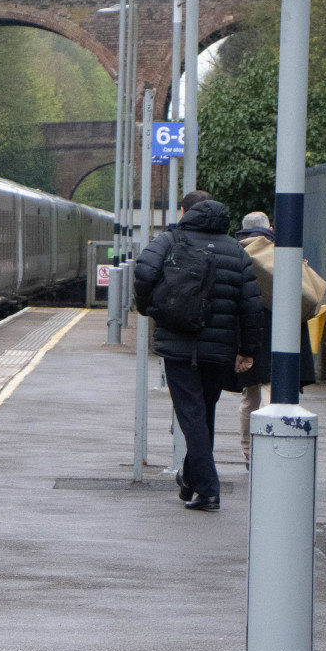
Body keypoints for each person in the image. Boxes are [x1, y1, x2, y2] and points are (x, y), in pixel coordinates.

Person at [133, 190, 264, 512]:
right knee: (203, 414)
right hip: (219, 349)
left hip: (178, 343)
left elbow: (143, 272)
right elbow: (251, 306)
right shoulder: (236, 251)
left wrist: (149, 308)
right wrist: (247, 349)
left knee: (191, 416)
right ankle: (191, 479)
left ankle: (208, 489)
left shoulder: (169, 241)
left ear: (186, 213)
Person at [233, 210, 326, 465]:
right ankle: (266, 446)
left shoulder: (236, 252)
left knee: (249, 393)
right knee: (271, 388)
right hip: (280, 329)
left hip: (247, 328)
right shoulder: (282, 252)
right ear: (269, 228)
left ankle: (248, 449)